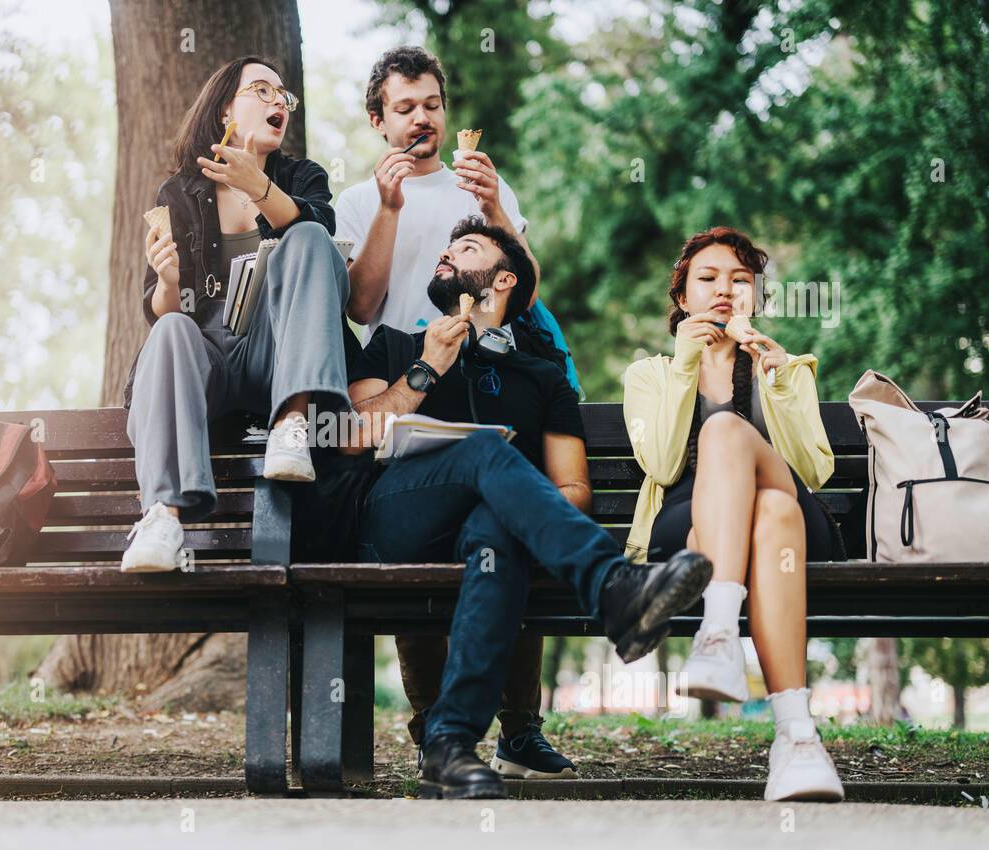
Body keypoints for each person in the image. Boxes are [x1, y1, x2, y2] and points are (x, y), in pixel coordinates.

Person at [338, 216, 713, 799]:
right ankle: (612, 587)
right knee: (486, 447)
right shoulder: (392, 345)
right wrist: (427, 368)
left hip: (485, 533)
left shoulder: (542, 376)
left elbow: (574, 489)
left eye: (465, 247)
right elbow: (356, 433)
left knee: (498, 535)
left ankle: (450, 745)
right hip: (395, 523)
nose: (446, 253)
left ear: (504, 279)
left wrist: (524, 503)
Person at [333, 45, 570, 779]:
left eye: (431, 104)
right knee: (426, 548)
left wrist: (497, 208)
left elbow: (523, 283)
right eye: (404, 107)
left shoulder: (479, 191)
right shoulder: (356, 200)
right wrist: (390, 209)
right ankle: (432, 720)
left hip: (490, 368)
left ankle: (518, 723)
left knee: (506, 518)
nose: (421, 118)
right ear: (379, 121)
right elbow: (361, 305)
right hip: (407, 373)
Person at [622, 226, 846, 802]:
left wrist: (781, 385)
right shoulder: (650, 374)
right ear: (682, 298)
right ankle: (797, 738)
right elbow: (665, 462)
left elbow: (813, 472)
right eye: (708, 278)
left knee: (751, 462)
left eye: (740, 281)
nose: (725, 289)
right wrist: (684, 366)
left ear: (754, 297)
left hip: (800, 525)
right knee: (767, 510)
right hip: (690, 527)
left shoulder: (782, 366)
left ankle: (717, 634)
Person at [122, 57, 352, 572]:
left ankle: (291, 424)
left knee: (309, 236)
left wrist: (259, 188)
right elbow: (156, 312)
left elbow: (319, 228)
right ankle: (162, 516)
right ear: (227, 106)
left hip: (279, 350)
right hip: (209, 362)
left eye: (283, 97)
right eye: (262, 91)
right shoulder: (180, 192)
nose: (279, 103)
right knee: (171, 328)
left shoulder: (300, 177)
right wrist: (168, 281)